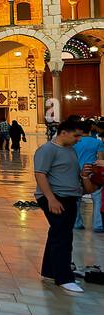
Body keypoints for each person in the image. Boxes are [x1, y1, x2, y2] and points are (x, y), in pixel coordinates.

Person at [34, 116, 99, 293]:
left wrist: (84, 175)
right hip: (55, 197)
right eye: (76, 136)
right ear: (64, 132)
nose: (78, 140)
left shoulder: (70, 150)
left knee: (57, 233)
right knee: (63, 237)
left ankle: (49, 271)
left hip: (69, 197)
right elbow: (40, 174)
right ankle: (63, 277)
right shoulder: (47, 150)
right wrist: (51, 199)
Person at [74, 125, 104, 232]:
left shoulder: (74, 142)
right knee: (97, 196)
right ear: (91, 130)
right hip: (91, 171)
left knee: (76, 197)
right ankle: (98, 224)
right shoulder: (97, 142)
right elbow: (100, 159)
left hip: (76, 171)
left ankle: (77, 223)